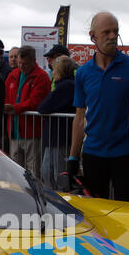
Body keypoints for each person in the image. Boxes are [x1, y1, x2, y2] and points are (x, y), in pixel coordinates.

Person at [68, 11, 129, 201]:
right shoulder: (83, 73)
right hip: (93, 153)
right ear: (93, 36)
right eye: (107, 32)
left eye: (115, 31)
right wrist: (73, 157)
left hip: (126, 153)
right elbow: (79, 116)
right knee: (95, 217)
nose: (112, 36)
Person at [3, 45, 52, 175]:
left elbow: (36, 102)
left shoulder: (41, 76)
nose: (21, 66)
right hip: (14, 131)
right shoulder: (13, 75)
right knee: (15, 171)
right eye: (19, 63)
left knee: (33, 171)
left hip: (32, 132)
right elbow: (5, 95)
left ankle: (33, 195)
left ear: (33, 61)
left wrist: (14, 108)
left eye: (25, 64)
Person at [36, 55, 77, 188]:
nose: (52, 73)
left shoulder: (66, 86)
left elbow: (43, 107)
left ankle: (60, 201)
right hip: (55, 137)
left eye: (54, 69)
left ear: (60, 70)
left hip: (60, 136)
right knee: (47, 171)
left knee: (57, 174)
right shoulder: (65, 85)